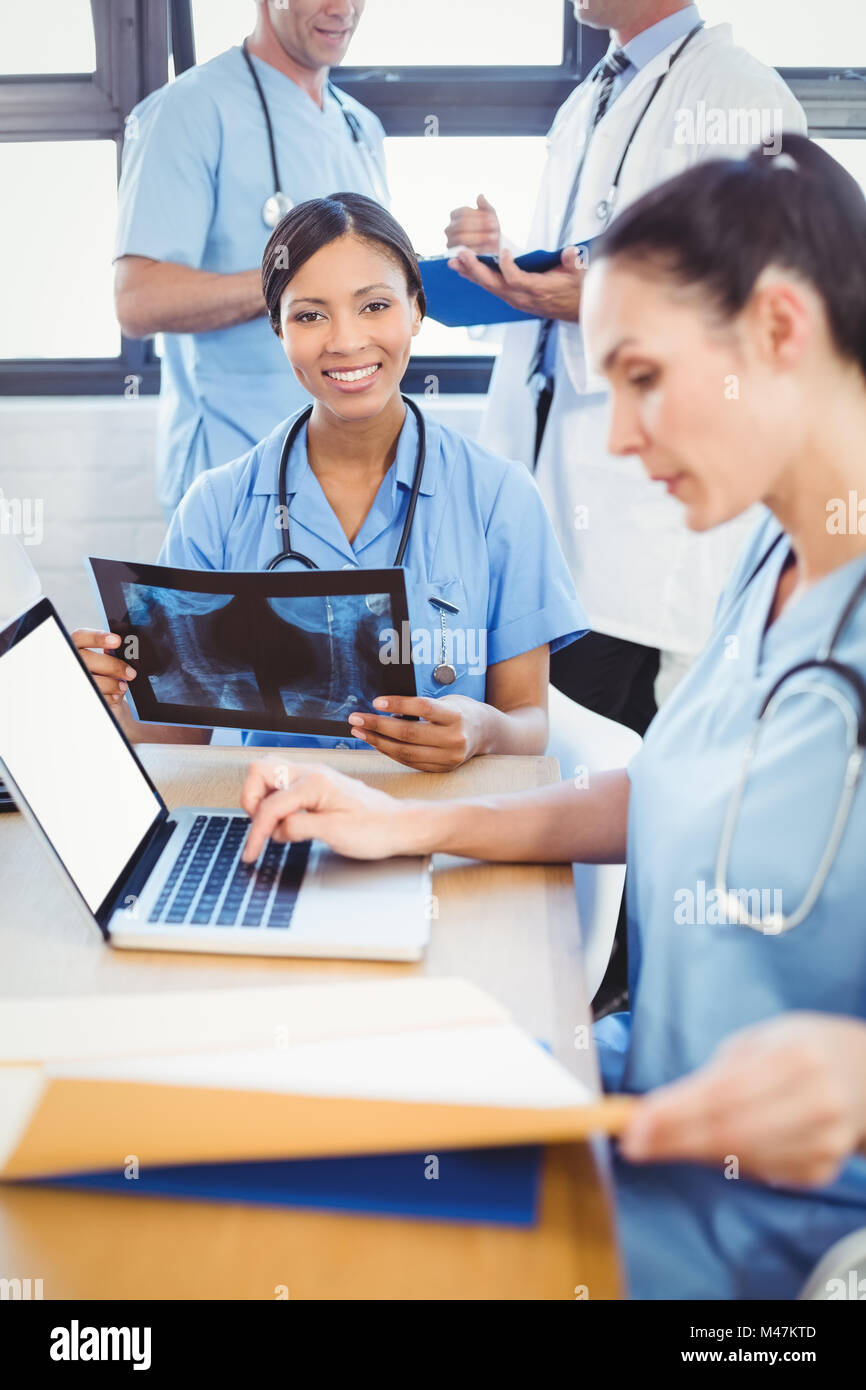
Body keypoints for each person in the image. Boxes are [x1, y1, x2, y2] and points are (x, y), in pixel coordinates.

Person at [234, 139, 866, 1298]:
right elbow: (665, 789)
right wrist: (406, 825)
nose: (618, 438)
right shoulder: (776, 555)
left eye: (637, 375)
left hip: (767, 1242)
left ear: (776, 329)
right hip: (627, 1110)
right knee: (251, 1143)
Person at [75, 195, 586, 770]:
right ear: (279, 329)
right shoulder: (216, 508)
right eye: (310, 315)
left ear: (417, 308)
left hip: (444, 826)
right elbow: (171, 742)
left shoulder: (500, 497)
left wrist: (483, 729)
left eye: (374, 305)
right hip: (282, 828)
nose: (345, 341)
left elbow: (529, 721)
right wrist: (110, 696)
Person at [446, 0, 807, 735]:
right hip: (561, 506)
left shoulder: (741, 95)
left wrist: (603, 301)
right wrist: (503, 264)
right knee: (557, 758)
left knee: (613, 776)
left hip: (648, 531)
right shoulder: (589, 100)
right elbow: (578, 268)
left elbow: (763, 308)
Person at [115, 0, 389, 514]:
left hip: (348, 474)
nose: (343, 9)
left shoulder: (361, 128)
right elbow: (138, 300)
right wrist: (295, 279)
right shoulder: (189, 110)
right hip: (233, 470)